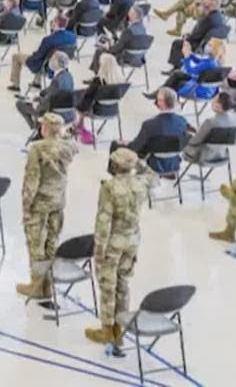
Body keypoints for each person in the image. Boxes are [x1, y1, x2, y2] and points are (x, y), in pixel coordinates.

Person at [85, 148, 150, 346]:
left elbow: (104, 221)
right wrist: (137, 162)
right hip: (132, 240)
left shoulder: (110, 187)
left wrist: (99, 249)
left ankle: (106, 329)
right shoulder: (141, 183)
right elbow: (153, 176)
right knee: (123, 283)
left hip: (113, 242)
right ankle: (119, 327)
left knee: (107, 285)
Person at [15, 113, 77, 299]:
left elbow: (32, 180)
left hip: (40, 202)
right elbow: (70, 140)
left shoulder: (38, 149)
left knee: (36, 243)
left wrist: (26, 206)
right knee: (52, 242)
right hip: (58, 201)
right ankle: (47, 284)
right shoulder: (69, 148)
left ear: (45, 129)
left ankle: (36, 284)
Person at [115, 87, 188, 175]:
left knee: (115, 146)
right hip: (174, 162)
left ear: (161, 102)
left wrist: (125, 144)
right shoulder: (182, 122)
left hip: (152, 163)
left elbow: (135, 147)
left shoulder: (149, 124)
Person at [8, 14, 75, 92]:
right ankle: (36, 82)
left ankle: (15, 85)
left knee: (17, 56)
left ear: (56, 23)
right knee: (44, 57)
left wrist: (32, 56)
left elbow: (38, 56)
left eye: (53, 21)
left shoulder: (48, 40)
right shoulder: (72, 37)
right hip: (61, 64)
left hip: (45, 65)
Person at [16, 51, 74, 132]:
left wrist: (35, 101)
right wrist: (41, 94)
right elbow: (53, 91)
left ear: (57, 63)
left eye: (53, 59)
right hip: (69, 113)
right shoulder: (69, 76)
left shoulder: (56, 81)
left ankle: (36, 128)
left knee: (19, 104)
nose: (51, 61)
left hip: (54, 113)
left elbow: (47, 102)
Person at [74, 53, 124, 144]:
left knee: (80, 98)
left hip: (97, 111)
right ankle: (79, 126)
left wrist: (78, 107)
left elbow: (87, 100)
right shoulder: (120, 83)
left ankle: (79, 126)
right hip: (113, 110)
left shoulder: (98, 82)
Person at [152, 37, 224, 100]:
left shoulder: (208, 63)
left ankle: (160, 95)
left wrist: (186, 56)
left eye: (210, 45)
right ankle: (160, 94)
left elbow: (190, 71)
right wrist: (190, 53)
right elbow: (199, 60)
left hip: (198, 91)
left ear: (214, 49)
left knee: (175, 80)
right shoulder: (215, 61)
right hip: (209, 91)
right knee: (177, 74)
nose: (206, 46)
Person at [166, 0, 225, 69]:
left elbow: (197, 35)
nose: (204, 7)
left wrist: (187, 37)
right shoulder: (219, 17)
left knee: (177, 43)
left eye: (206, 6)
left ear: (211, 6)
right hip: (211, 44)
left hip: (199, 44)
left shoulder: (208, 19)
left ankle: (177, 68)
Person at [183, 92, 236, 164]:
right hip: (222, 155)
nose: (212, 102)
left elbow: (194, 142)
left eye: (214, 100)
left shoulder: (210, 122)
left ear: (219, 105)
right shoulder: (233, 120)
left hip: (201, 156)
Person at [90, 6, 146, 73]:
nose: (128, 14)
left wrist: (108, 47)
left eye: (130, 13)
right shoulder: (143, 29)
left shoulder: (129, 31)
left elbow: (118, 47)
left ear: (133, 15)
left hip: (124, 58)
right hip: (138, 59)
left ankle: (98, 78)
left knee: (99, 51)